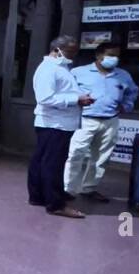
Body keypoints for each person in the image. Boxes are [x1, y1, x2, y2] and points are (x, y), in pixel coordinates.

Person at [28, 35, 96, 219]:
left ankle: (39, 195)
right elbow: (45, 98)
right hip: (55, 123)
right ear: (56, 49)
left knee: (42, 161)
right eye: (70, 51)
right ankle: (56, 204)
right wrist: (77, 99)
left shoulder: (61, 68)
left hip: (56, 122)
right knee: (53, 164)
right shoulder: (49, 69)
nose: (73, 55)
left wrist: (79, 97)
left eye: (75, 52)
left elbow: (62, 92)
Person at [63, 43, 139, 202]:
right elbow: (65, 91)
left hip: (110, 120)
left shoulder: (123, 75)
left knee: (101, 158)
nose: (115, 59)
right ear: (98, 55)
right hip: (84, 119)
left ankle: (88, 189)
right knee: (76, 154)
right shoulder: (78, 72)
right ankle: (68, 190)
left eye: (117, 56)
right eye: (111, 55)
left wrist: (127, 105)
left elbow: (132, 92)